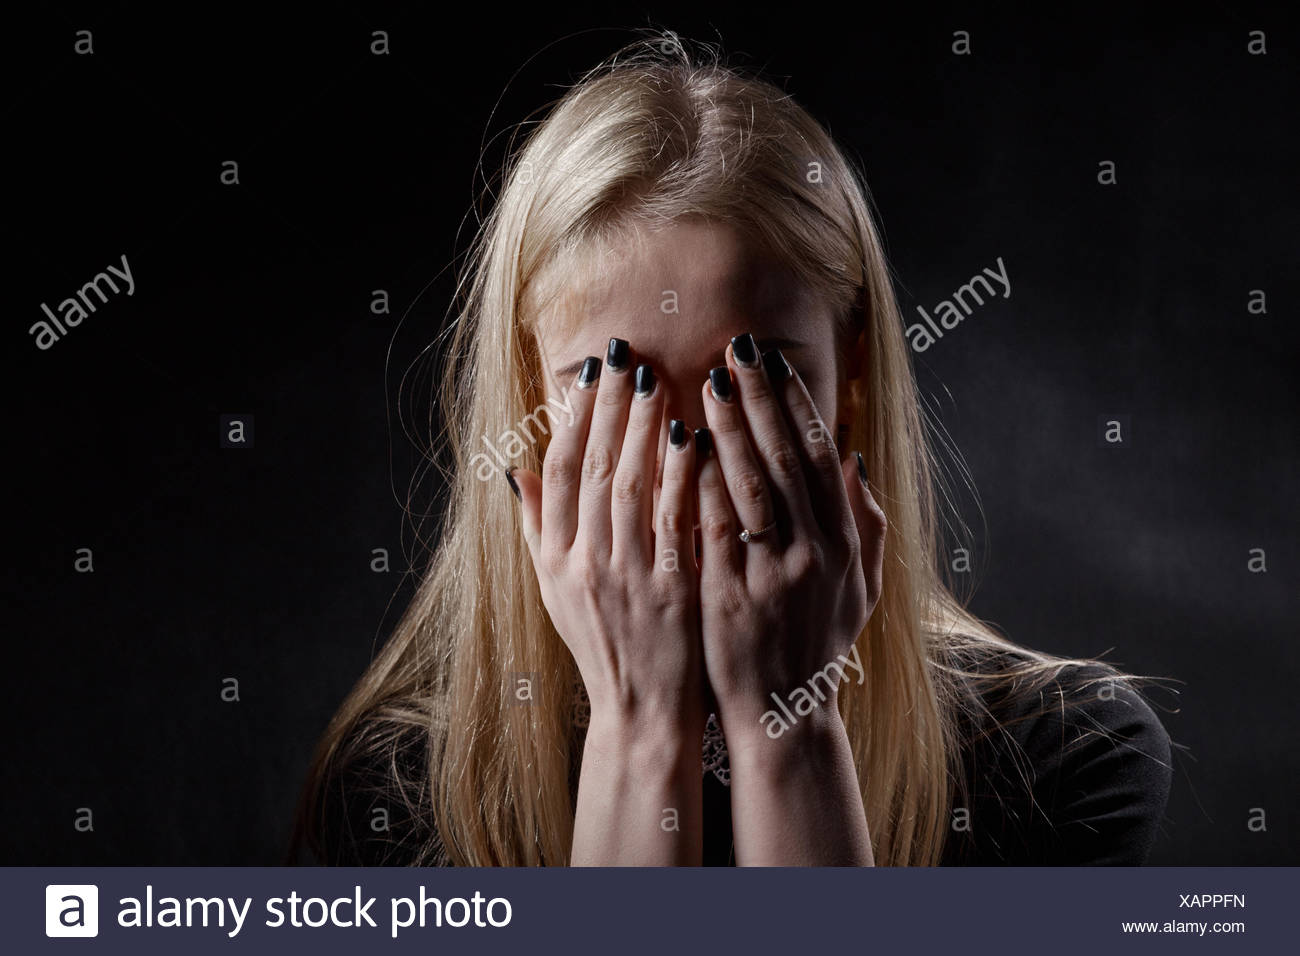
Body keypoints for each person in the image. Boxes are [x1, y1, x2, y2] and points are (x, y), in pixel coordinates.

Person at [287, 31, 1172, 867]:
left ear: (851, 378)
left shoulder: (1063, 752)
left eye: (748, 386)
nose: (684, 470)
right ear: (531, 400)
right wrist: (640, 728)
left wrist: (789, 726)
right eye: (615, 390)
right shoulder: (399, 788)